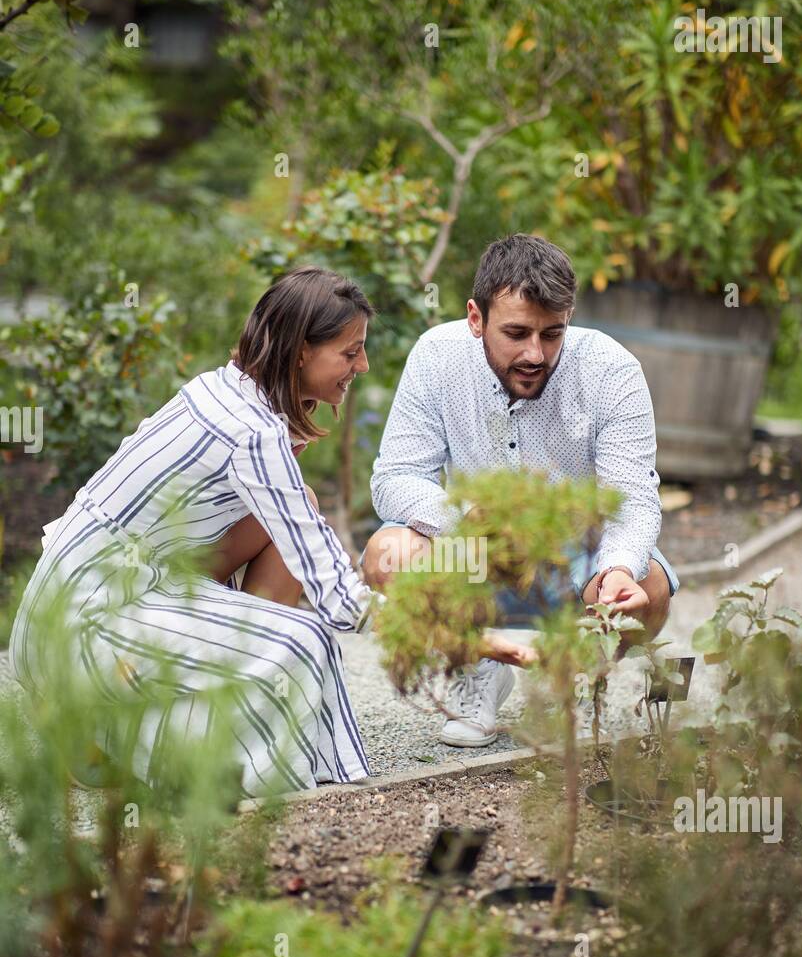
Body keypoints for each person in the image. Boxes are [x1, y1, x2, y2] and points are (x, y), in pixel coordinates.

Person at [11, 267, 382, 797]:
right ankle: (206, 768)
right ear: (301, 349)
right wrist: (435, 632)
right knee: (303, 644)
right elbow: (338, 598)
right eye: (350, 352)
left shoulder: (219, 388)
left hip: (69, 607)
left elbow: (297, 534)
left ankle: (142, 731)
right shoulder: (252, 433)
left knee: (295, 516)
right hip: (84, 624)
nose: (362, 365)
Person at [362, 234, 679, 748]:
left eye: (552, 333)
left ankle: (575, 671)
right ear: (474, 318)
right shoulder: (437, 357)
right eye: (516, 333)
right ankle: (478, 670)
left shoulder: (611, 369)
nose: (535, 353)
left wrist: (617, 569)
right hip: (473, 556)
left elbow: (633, 498)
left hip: (578, 557)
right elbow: (395, 477)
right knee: (387, 552)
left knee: (652, 588)